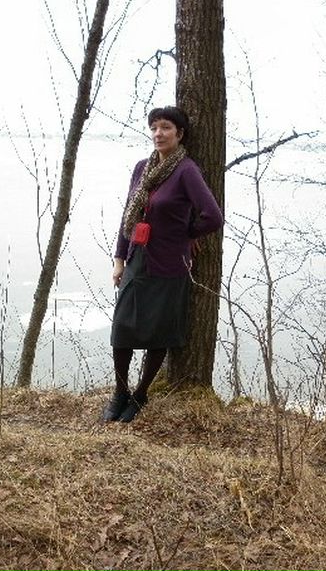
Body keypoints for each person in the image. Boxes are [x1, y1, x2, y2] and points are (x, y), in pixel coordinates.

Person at [104, 106, 223, 423]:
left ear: (179, 134)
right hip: (137, 259)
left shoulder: (186, 171)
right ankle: (120, 393)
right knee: (122, 329)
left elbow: (213, 216)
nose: (159, 133)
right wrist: (119, 259)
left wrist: (185, 234)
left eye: (166, 127)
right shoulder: (142, 168)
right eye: (154, 127)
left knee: (158, 334)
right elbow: (128, 216)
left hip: (170, 263)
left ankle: (141, 395)